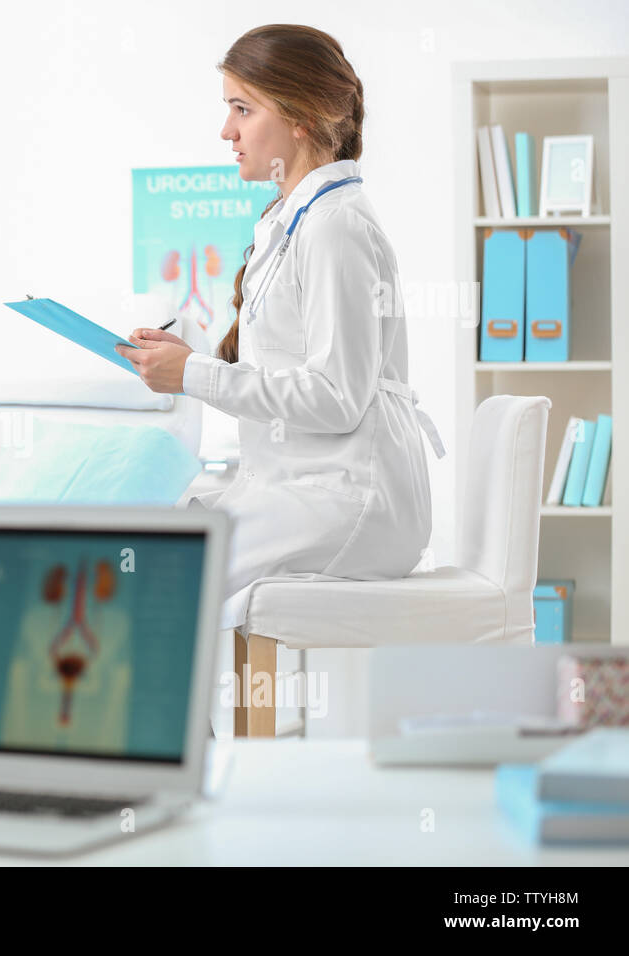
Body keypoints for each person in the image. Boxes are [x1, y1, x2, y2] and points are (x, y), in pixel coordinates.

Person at [116, 24, 443, 634]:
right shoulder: (296, 222)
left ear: (300, 118)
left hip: (351, 499)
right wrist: (190, 364)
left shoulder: (336, 228)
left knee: (150, 578)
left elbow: (337, 397)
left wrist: (195, 375)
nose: (227, 131)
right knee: (149, 550)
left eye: (242, 109)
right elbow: (293, 375)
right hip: (306, 487)